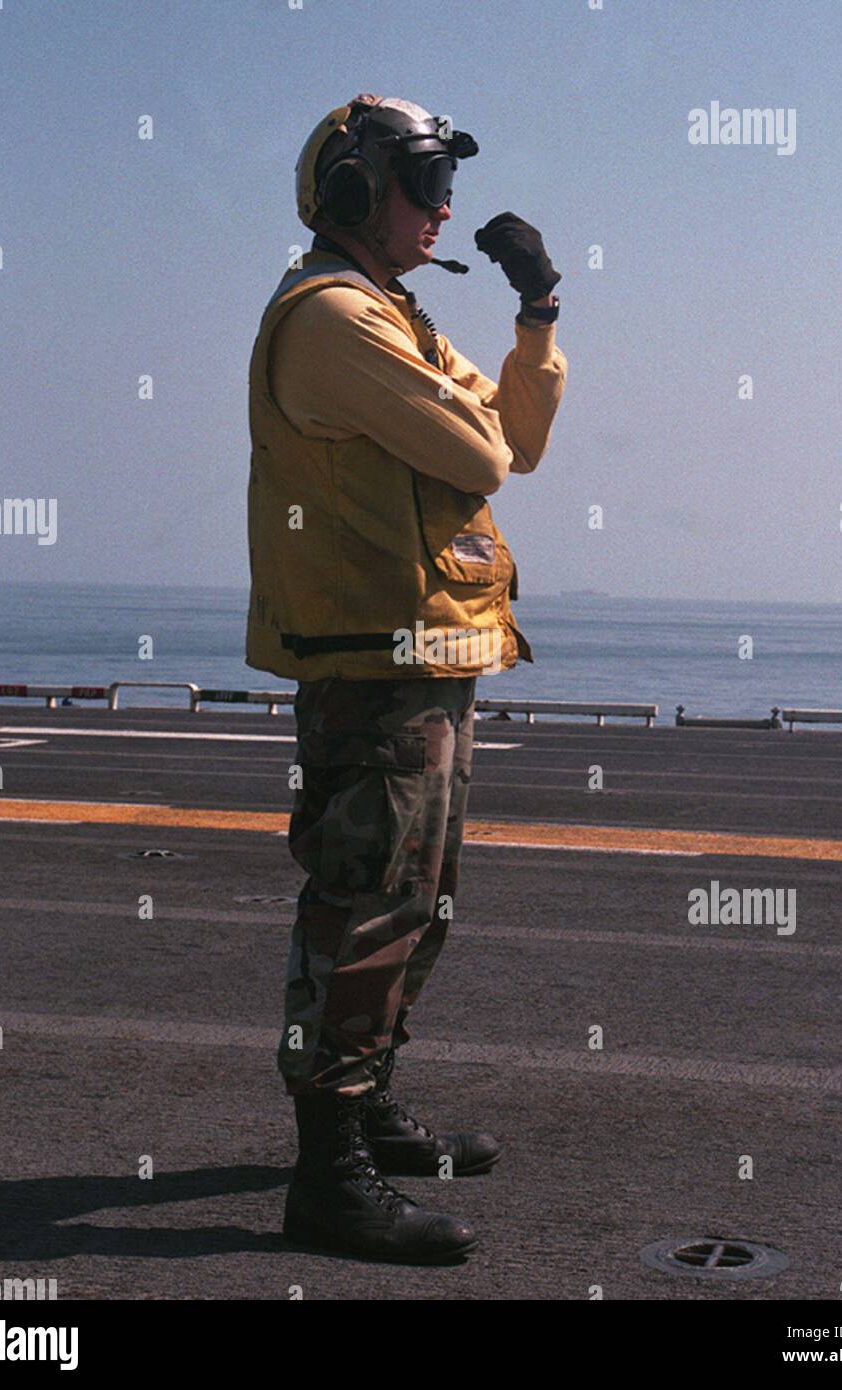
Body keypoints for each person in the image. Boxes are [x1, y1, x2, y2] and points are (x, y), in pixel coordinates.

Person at [245, 93, 567, 1264]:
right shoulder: (334, 319)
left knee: (413, 905)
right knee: (362, 908)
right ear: (347, 195)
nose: (442, 205)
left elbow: (516, 439)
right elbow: (484, 450)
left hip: (427, 652)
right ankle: (325, 1172)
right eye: (421, 180)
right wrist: (489, 396)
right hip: (373, 659)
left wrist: (537, 312)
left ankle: (367, 1108)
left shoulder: (395, 315)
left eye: (445, 181)